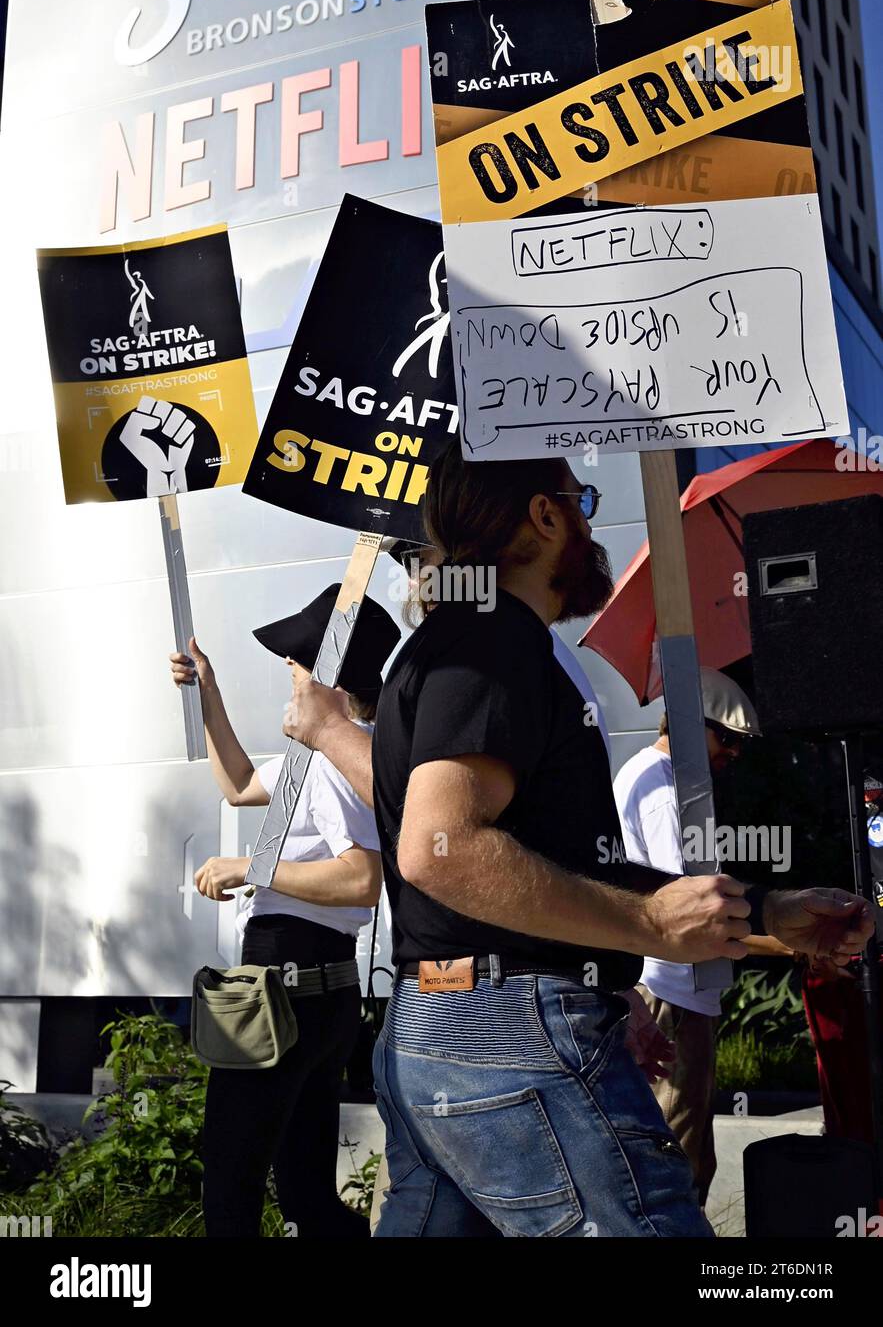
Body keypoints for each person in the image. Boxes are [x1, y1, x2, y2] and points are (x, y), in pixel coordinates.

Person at [286, 445, 872, 1238]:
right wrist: (647, 927)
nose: (589, 528)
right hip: (510, 1027)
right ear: (542, 513)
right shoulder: (490, 639)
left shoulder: (450, 644)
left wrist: (761, 908)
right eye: (581, 501)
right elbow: (438, 846)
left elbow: (560, 867)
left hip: (437, 1022)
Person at [169, 584, 399, 1238]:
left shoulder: (332, 759)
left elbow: (362, 878)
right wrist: (207, 692)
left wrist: (250, 868)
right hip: (318, 994)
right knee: (303, 1195)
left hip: (284, 991)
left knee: (231, 1188)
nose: (288, 672)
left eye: (297, 662)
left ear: (328, 678)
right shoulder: (321, 754)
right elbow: (241, 785)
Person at [614, 670, 791, 1208]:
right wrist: (781, 939)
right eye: (728, 739)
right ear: (692, 725)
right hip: (669, 991)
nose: (735, 754)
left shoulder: (655, 775)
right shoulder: (664, 786)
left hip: (671, 987)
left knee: (681, 1155)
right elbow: (688, 904)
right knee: (677, 1161)